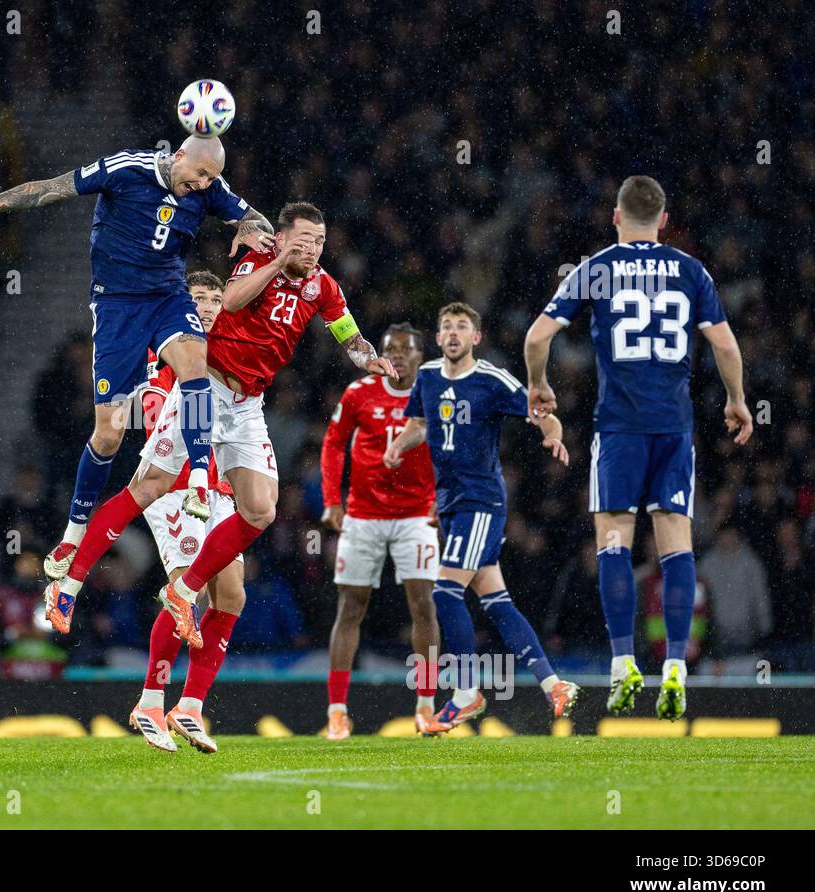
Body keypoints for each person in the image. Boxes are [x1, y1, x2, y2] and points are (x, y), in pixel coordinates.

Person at [46, 202, 397, 650]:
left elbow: (348, 333)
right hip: (206, 387)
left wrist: (369, 359)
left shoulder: (323, 286)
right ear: (282, 238)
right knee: (149, 487)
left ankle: (183, 590)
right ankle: (69, 584)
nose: (312, 249)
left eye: (320, 242)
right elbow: (231, 300)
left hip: (248, 405)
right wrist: (277, 261)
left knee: (261, 511)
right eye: (304, 239)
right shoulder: (258, 258)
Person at [0, 137, 273, 579]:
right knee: (109, 435)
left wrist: (248, 225)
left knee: (195, 364)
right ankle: (73, 533)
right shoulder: (125, 169)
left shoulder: (211, 188)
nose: (205, 184)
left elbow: (258, 220)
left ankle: (197, 480)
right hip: (116, 308)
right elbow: (48, 189)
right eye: (201, 174)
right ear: (179, 157)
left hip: (168, 297)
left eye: (213, 178)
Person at [524, 175, 753, 719]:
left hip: (619, 429)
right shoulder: (691, 270)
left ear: (616, 217)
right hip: (673, 428)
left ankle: (623, 661)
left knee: (613, 544)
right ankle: (675, 664)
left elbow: (537, 336)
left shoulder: (596, 269)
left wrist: (538, 385)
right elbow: (725, 344)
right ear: (664, 220)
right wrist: (737, 400)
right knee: (676, 547)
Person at [386, 302, 579, 731]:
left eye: (462, 327)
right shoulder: (428, 377)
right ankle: (554, 685)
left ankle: (466, 693)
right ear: (438, 338)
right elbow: (420, 425)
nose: (453, 333)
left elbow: (542, 412)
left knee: (444, 593)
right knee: (497, 601)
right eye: (447, 326)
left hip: (480, 502)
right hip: (451, 504)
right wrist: (399, 445)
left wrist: (553, 435)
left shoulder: (492, 380)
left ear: (476, 337)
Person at [129, 270, 244, 754]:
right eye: (199, 298)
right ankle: (150, 701)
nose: (210, 306)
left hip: (216, 488)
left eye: (216, 298)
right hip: (175, 488)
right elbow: (156, 420)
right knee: (184, 594)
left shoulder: (224, 354)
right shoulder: (167, 357)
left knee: (232, 595)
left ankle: (190, 707)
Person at [320, 322, 443, 738]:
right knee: (350, 608)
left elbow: (452, 448)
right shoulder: (359, 392)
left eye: (407, 349)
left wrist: (445, 497)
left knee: (423, 605)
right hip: (364, 514)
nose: (399, 356)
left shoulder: (435, 393)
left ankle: (425, 706)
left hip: (417, 515)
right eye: (391, 349)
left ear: (421, 356)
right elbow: (333, 443)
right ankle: (337, 711)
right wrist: (332, 500)